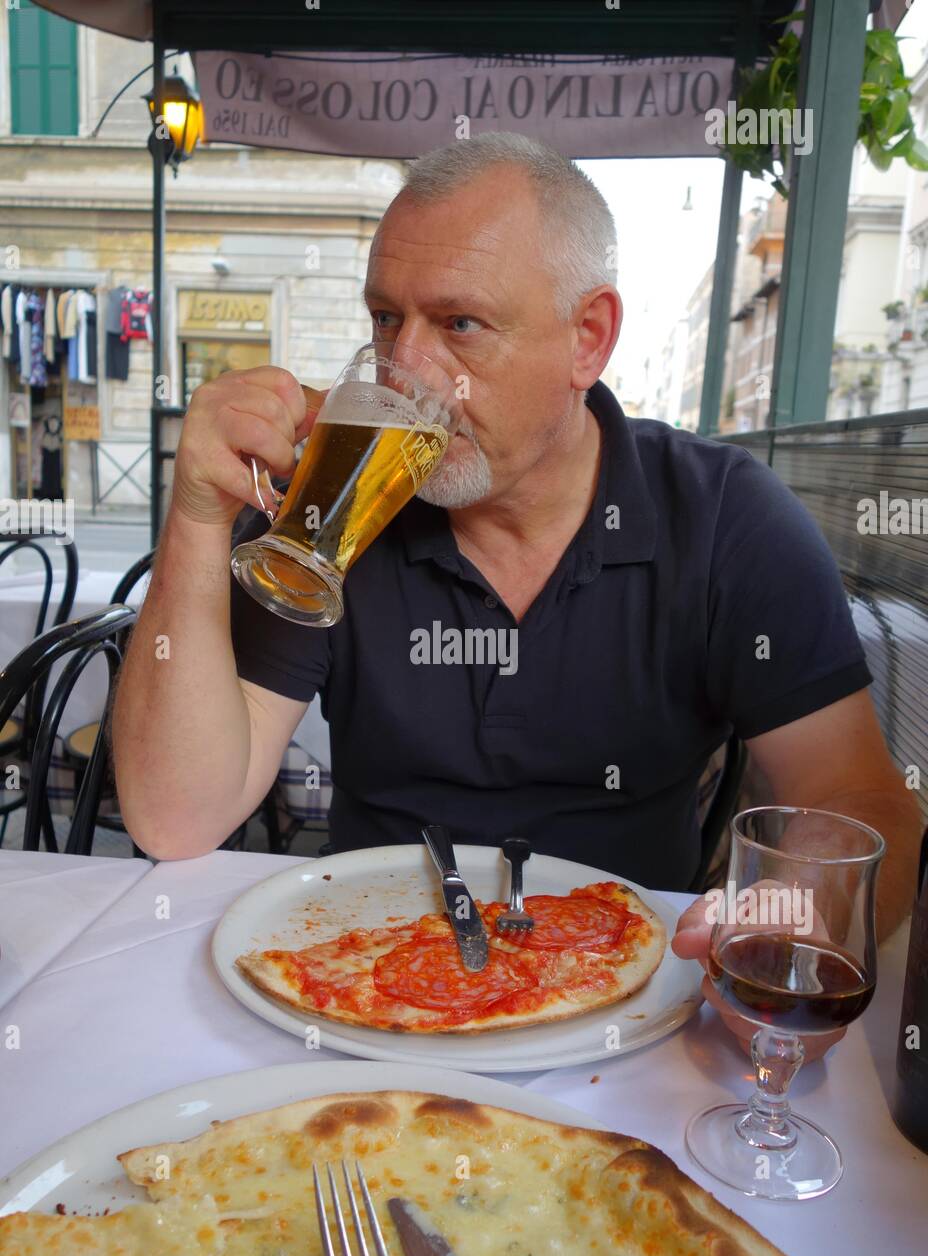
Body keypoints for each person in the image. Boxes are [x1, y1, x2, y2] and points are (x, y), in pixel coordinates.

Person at [112, 133, 921, 1057]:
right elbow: (176, 816)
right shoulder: (333, 511)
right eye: (386, 319)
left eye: (459, 325)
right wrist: (196, 518)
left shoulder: (724, 518)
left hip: (636, 1023)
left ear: (589, 339)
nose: (404, 368)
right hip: (361, 997)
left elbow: (858, 795)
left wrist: (795, 908)